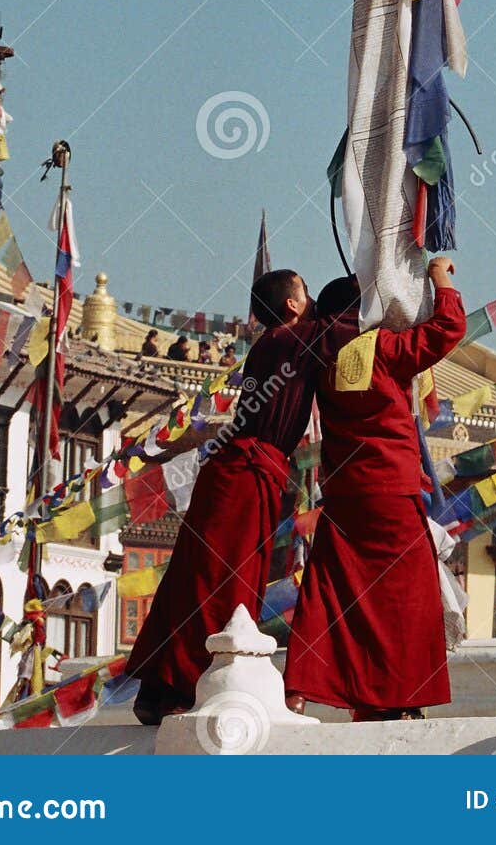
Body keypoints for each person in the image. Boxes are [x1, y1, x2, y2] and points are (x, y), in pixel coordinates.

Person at [126, 269, 359, 725]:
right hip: (244, 474)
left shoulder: (278, 345)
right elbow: (347, 330)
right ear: (292, 306)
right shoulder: (287, 342)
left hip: (245, 473)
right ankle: (177, 686)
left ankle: (167, 687)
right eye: (305, 292)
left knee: (210, 576)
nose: (310, 300)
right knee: (218, 581)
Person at [283, 255, 465, 721]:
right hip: (391, 489)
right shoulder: (381, 348)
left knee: (332, 591)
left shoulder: (319, 356)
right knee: (408, 597)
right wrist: (439, 278)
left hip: (344, 494)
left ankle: (307, 688)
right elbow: (447, 329)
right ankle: (399, 697)